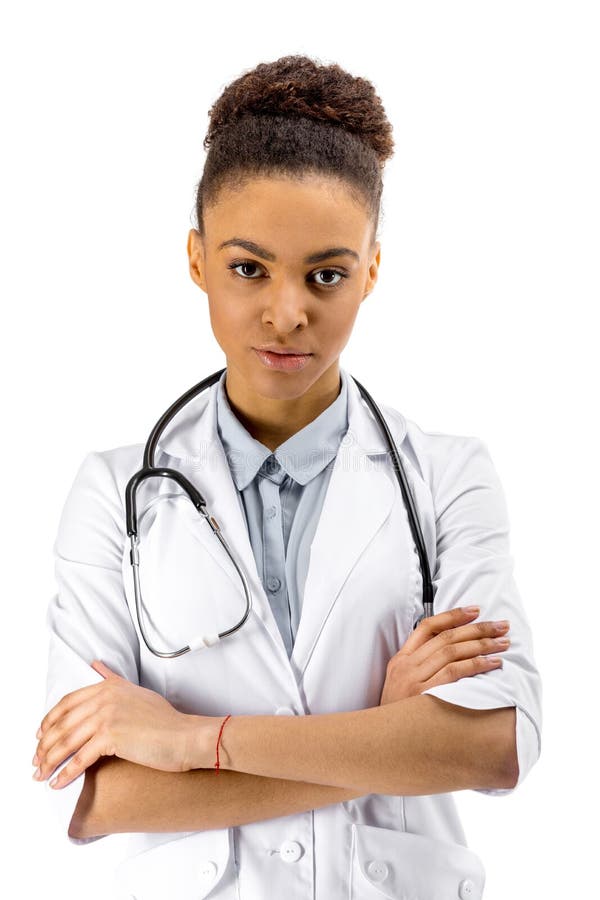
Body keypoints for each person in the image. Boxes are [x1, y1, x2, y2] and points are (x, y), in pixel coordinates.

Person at [33, 54, 542, 899]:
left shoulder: (450, 478)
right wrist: (388, 735)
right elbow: (95, 793)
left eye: (327, 275)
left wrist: (194, 741)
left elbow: (492, 747)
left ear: (371, 271)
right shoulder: (111, 493)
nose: (287, 312)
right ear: (197, 260)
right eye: (248, 268)